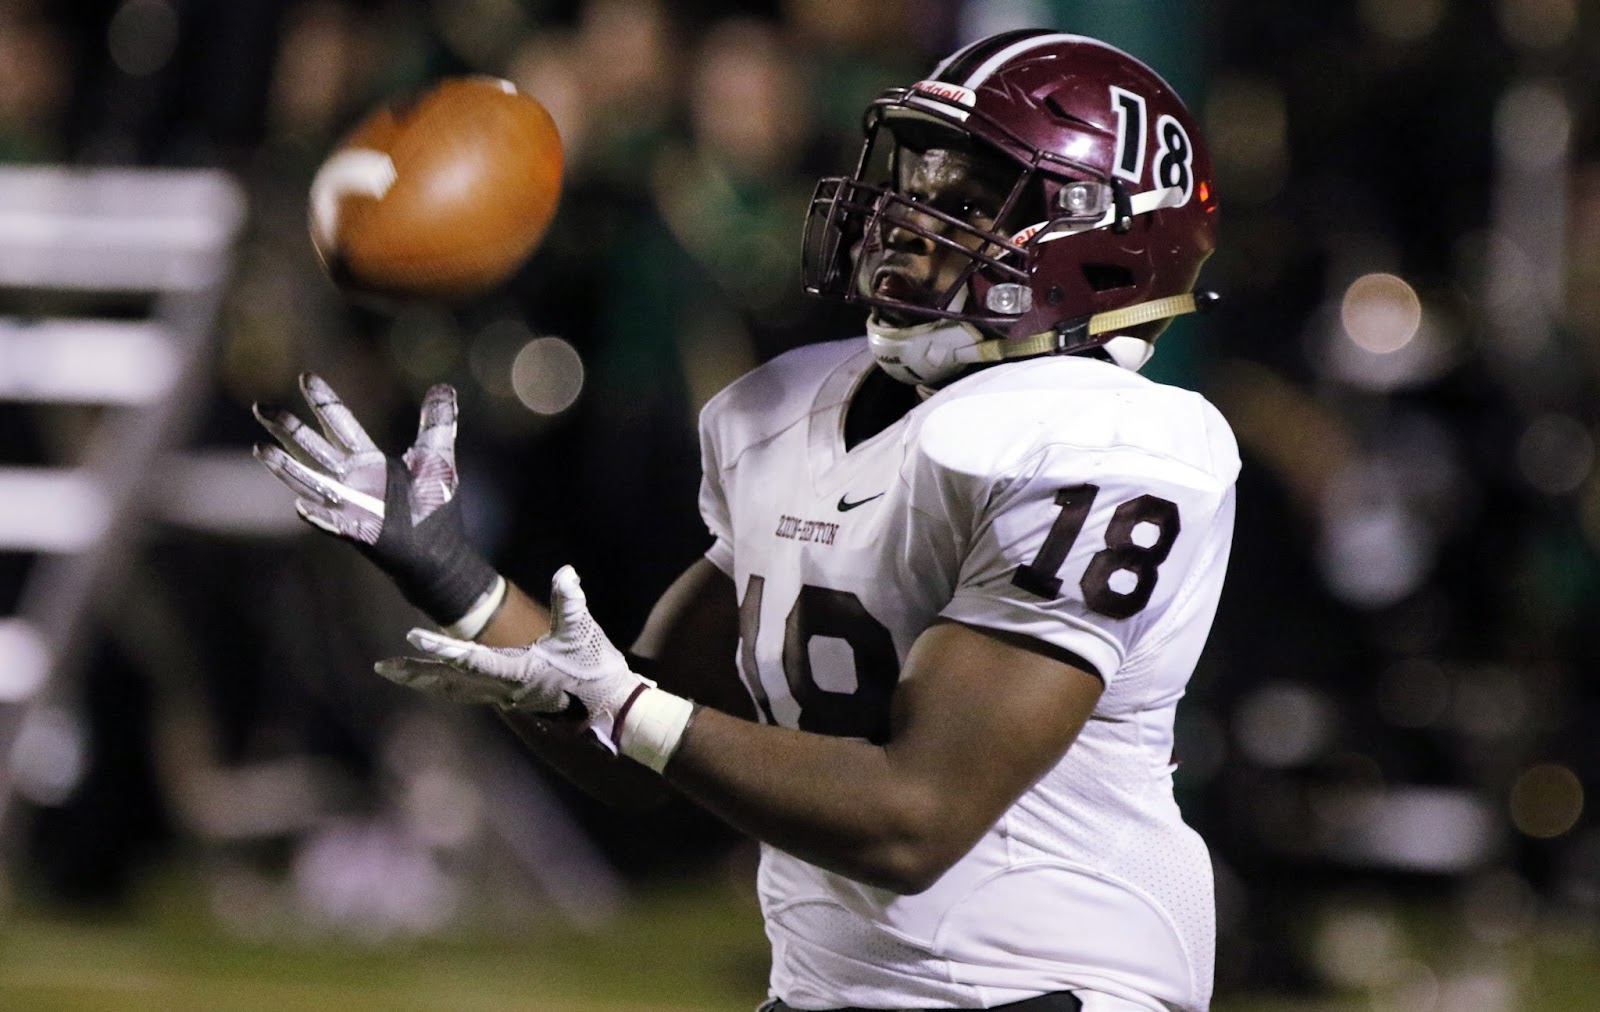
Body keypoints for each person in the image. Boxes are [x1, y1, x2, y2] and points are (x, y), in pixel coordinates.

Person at [255, 29, 1237, 1012]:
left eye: (966, 202)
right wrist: (458, 580)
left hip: (1042, 991)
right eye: (913, 180)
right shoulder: (801, 408)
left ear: (1093, 243)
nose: (905, 219)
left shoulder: (1103, 442)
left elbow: (916, 814)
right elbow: (630, 734)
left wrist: (630, 711)